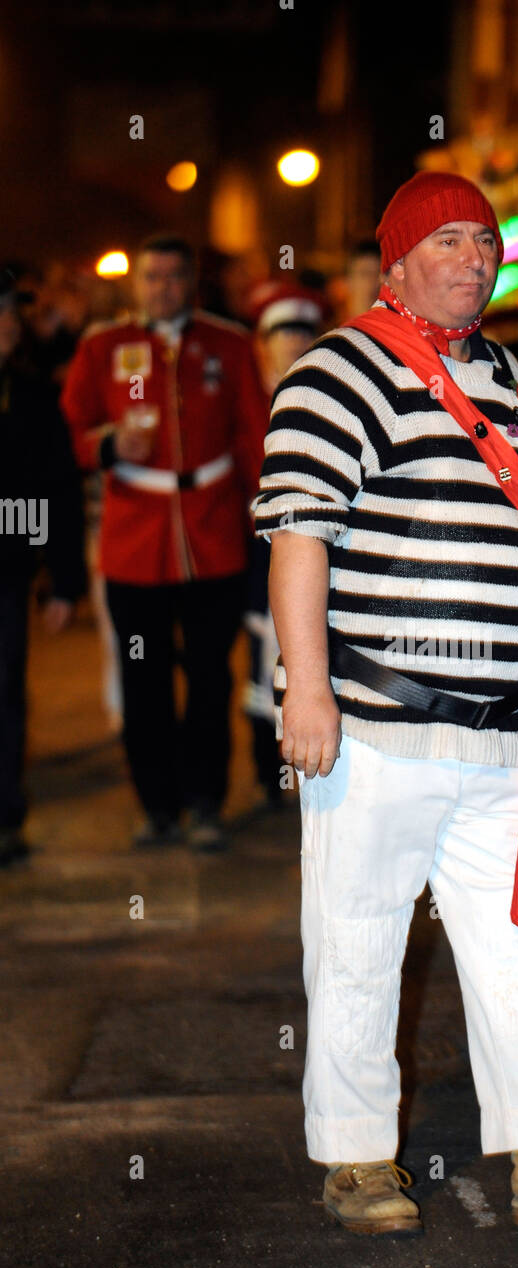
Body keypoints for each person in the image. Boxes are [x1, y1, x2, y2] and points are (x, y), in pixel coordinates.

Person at [252, 171, 518, 1236]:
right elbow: (299, 533)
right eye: (445, 241)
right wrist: (304, 686)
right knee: (358, 945)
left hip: (500, 731)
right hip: (378, 724)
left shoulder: (503, 376)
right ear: (395, 262)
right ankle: (357, 1163)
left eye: (485, 243)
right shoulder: (336, 371)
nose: (473, 259)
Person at [60, 234, 267, 850]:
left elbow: (254, 434)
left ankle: (205, 802)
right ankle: (157, 806)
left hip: (213, 538)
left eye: (174, 277)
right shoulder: (104, 347)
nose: (162, 289)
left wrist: (265, 516)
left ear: (192, 281)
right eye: (152, 278)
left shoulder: (228, 345)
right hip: (135, 542)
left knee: (209, 679)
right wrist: (105, 446)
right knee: (143, 678)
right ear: (136, 284)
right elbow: (70, 430)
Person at [0, 267, 87, 865]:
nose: (10, 323)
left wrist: (58, 573)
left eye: (13, 310)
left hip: (5, 571)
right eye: (0, 311)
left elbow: (52, 489)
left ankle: (5, 817)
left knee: (5, 693)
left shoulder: (28, 393)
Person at [244, 279, 325, 805]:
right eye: (282, 332)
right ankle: (267, 771)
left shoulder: (329, 392)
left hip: (314, 545)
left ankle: (310, 760)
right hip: (255, 548)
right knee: (261, 657)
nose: (292, 341)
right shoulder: (247, 398)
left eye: (303, 331)